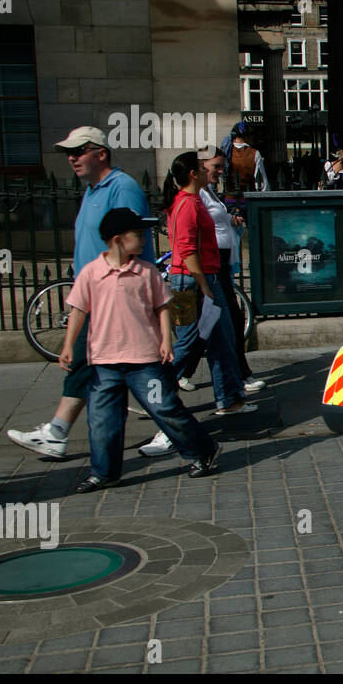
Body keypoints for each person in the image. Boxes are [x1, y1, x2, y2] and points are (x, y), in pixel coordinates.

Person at [6, 126, 156, 458]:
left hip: (115, 295)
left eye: (79, 151)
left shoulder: (123, 188)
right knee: (113, 370)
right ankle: (168, 425)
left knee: (101, 364)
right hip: (95, 293)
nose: (72, 158)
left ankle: (59, 432)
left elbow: (136, 243)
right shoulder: (92, 190)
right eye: (68, 153)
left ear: (101, 153)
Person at [61, 208, 221, 492]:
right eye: (138, 234)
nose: (145, 239)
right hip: (103, 362)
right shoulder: (91, 273)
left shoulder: (146, 272)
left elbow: (162, 307)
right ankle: (104, 471)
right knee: (102, 420)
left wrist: (166, 341)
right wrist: (68, 346)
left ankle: (202, 450)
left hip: (144, 360)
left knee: (166, 408)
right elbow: (78, 310)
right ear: (118, 240)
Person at [163, 151, 257, 416]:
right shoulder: (188, 203)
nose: (209, 172)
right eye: (203, 169)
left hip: (202, 279)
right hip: (193, 282)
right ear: (194, 174)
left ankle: (229, 400)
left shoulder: (193, 201)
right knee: (189, 343)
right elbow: (186, 247)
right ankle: (158, 392)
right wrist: (204, 285)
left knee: (222, 339)